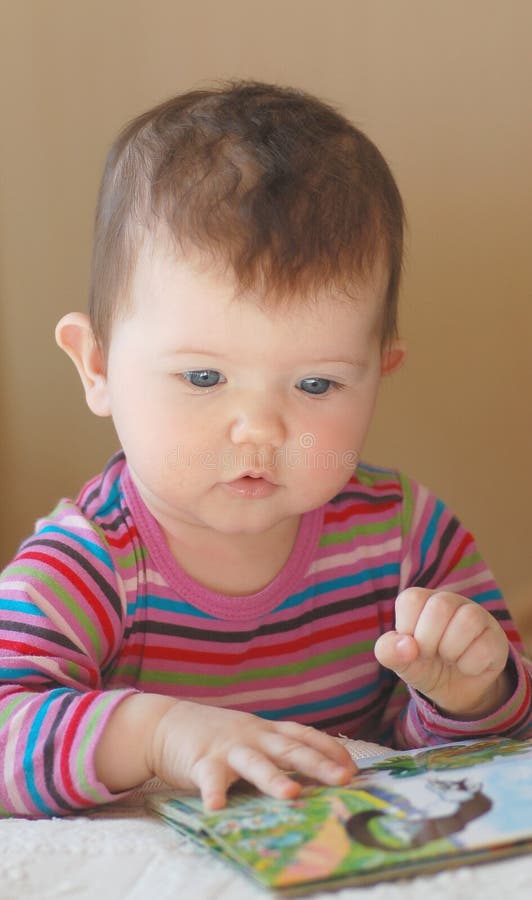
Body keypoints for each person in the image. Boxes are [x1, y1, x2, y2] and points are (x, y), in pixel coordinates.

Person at [1, 81, 530, 820]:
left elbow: (461, 753)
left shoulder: (407, 537)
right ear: (97, 367)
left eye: (315, 384)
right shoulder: (84, 566)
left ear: (378, 375)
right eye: (204, 377)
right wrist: (157, 733)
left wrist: (471, 695)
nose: (260, 430)